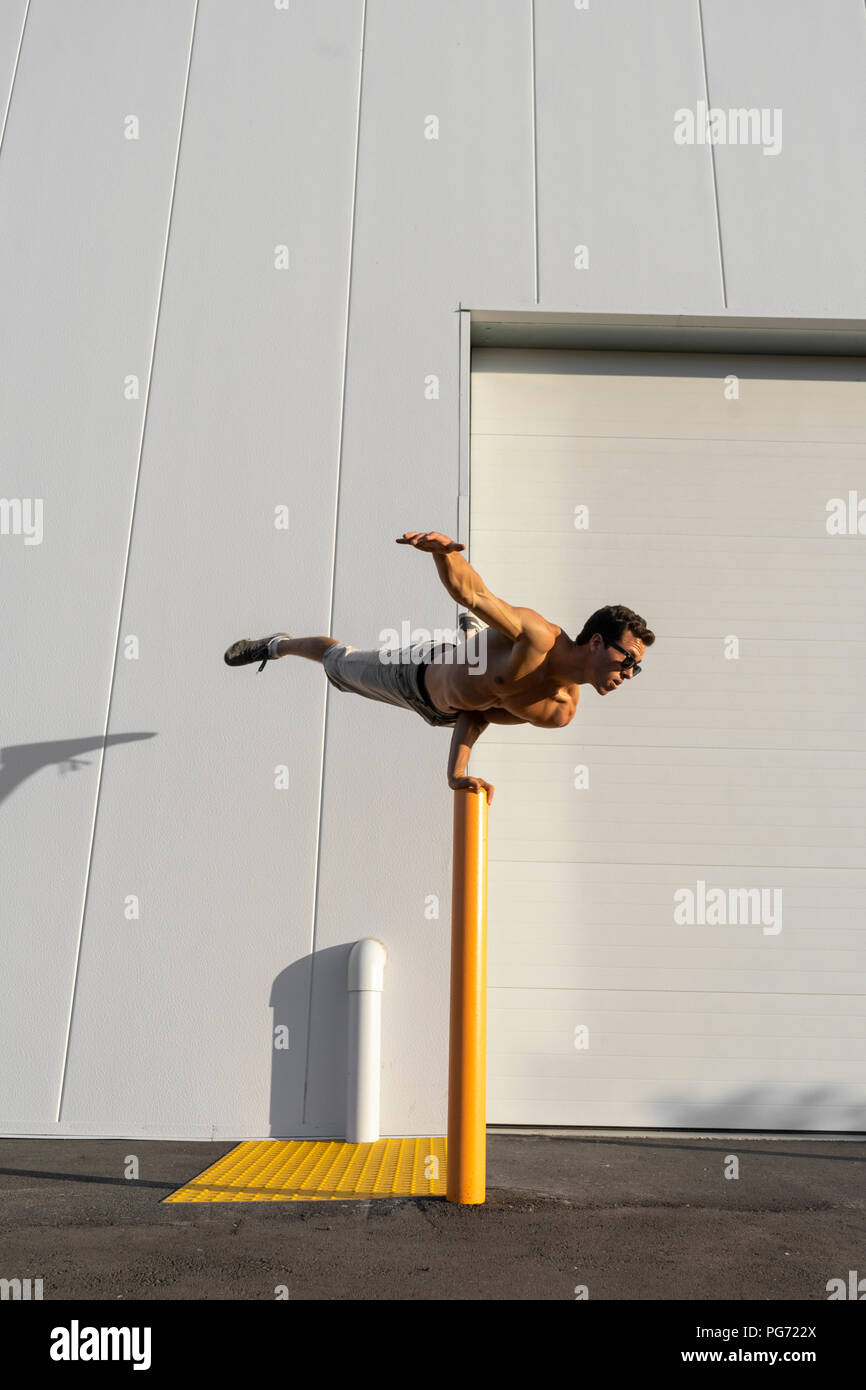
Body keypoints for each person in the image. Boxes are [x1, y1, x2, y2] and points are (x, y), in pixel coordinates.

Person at [224, 530, 655, 805]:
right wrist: (443, 555)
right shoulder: (538, 637)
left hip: (449, 708)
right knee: (339, 665)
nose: (628, 673)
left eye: (636, 670)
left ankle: (470, 638)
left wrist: (457, 773)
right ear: (596, 642)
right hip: (418, 673)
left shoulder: (560, 711)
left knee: (481, 668)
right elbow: (476, 595)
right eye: (628, 659)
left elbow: (480, 711)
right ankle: (278, 645)